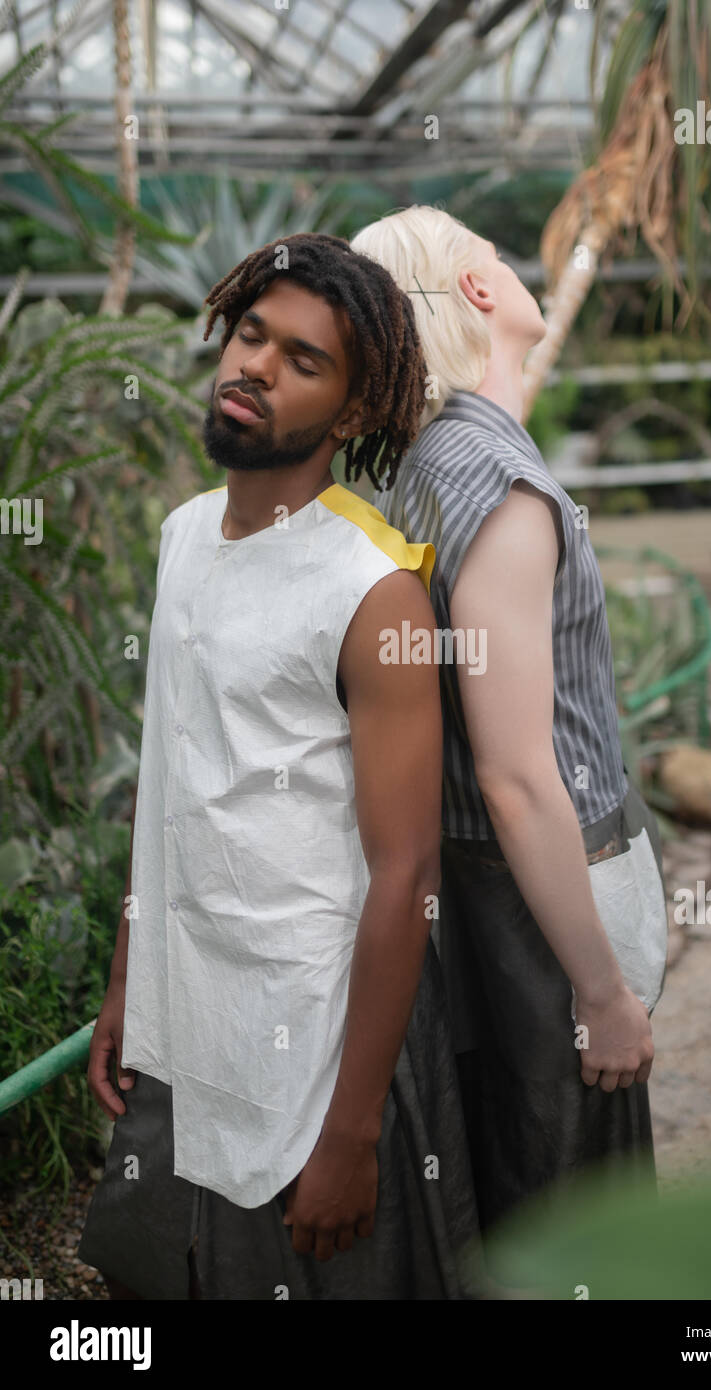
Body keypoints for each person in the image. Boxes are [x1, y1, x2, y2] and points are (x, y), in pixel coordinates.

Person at [77, 232, 481, 1300]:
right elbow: (171, 779)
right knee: (153, 1277)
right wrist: (130, 974)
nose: (255, 364)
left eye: (304, 359)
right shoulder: (180, 536)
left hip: (313, 1042)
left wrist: (350, 1136)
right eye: (252, 334)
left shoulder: (372, 589)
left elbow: (408, 874)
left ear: (351, 412)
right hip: (182, 1012)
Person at [351, 207, 669, 1235]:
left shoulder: (426, 468)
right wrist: (601, 992)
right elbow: (517, 773)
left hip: (489, 895)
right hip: (533, 908)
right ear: (479, 293)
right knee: (579, 1210)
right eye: (495, 255)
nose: (514, 267)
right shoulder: (495, 484)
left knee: (513, 1194)